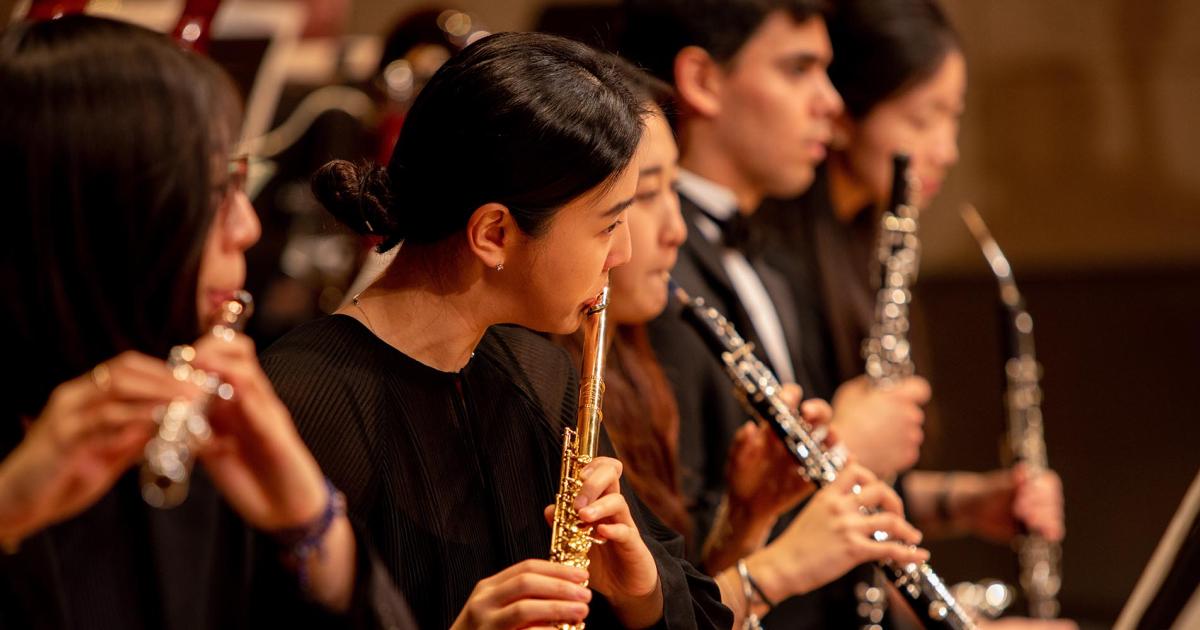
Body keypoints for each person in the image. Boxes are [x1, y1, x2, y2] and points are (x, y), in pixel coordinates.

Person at [260, 31, 730, 630]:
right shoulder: (300, 405)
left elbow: (708, 612)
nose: (624, 253)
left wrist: (641, 595)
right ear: (494, 234)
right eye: (609, 225)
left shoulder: (541, 374)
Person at [0, 15, 413, 629]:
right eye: (217, 188)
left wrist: (313, 527)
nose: (246, 227)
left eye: (240, 183)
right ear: (101, 215)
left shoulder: (205, 421)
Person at [553, 60, 930, 629]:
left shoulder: (634, 368)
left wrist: (746, 520)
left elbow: (687, 606)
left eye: (669, 192)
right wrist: (783, 565)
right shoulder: (545, 380)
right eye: (642, 198)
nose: (674, 231)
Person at [753, 0, 1066, 552]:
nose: (946, 151)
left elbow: (871, 492)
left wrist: (966, 500)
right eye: (922, 120)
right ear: (844, 116)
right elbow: (783, 509)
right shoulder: (774, 264)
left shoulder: (867, 246)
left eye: (955, 117)